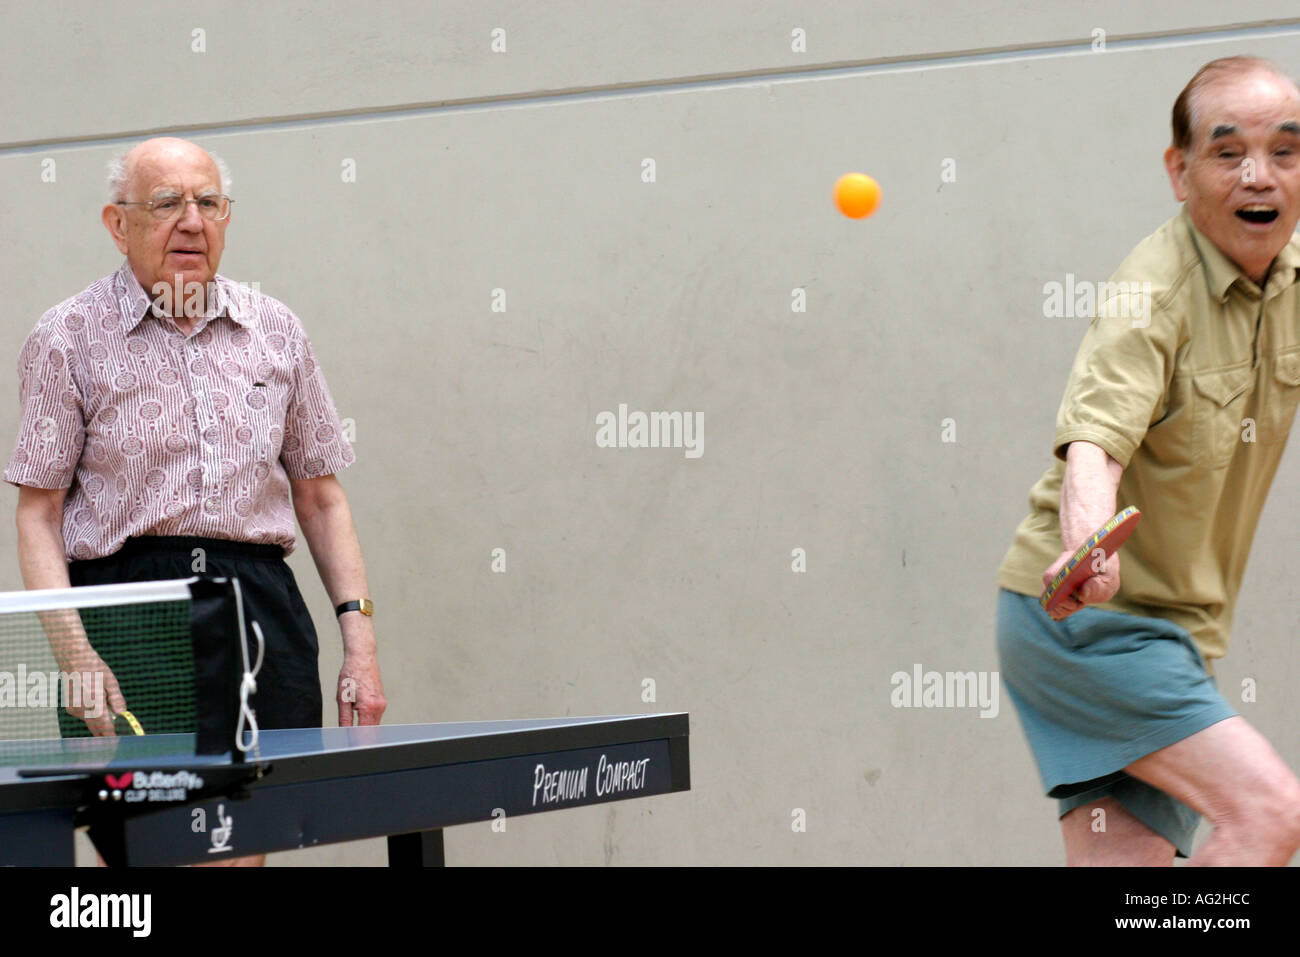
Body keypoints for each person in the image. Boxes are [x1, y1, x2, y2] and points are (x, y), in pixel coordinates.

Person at [5, 136, 386, 865]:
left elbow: (321, 498)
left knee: (243, 846)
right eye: (167, 203)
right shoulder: (67, 336)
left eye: (208, 203)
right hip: (129, 614)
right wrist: (75, 653)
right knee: (156, 852)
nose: (192, 221)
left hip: (259, 608)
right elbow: (38, 515)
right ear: (118, 224)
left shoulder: (275, 329)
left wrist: (359, 645)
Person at [996, 56, 1300, 866]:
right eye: (1228, 152)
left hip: (1179, 629)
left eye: (1285, 151)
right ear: (1180, 171)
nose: (1259, 175)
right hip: (1088, 622)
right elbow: (1094, 444)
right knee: (1272, 814)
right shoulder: (1150, 296)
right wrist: (1088, 548)